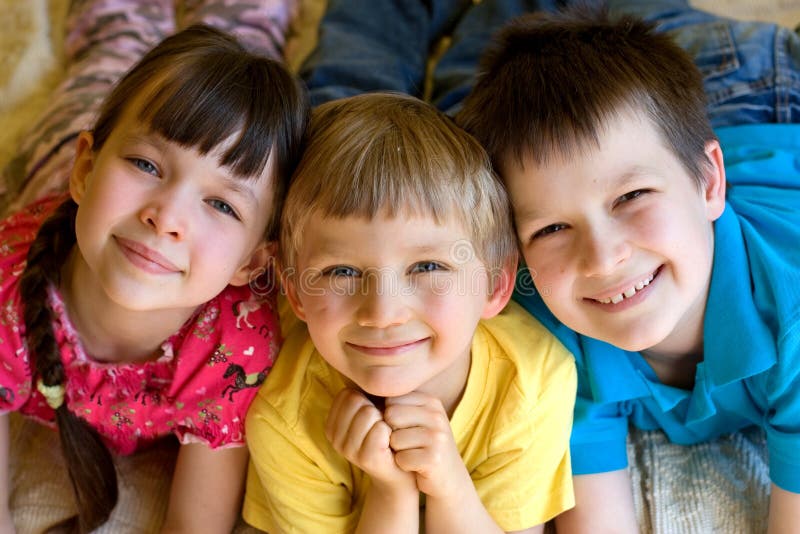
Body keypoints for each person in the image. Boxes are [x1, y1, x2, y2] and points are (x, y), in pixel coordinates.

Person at [455, 2, 800, 532]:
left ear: (709, 184)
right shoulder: (542, 336)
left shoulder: (792, 314)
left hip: (759, 92)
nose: (602, 258)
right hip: (643, 139)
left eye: (632, 198)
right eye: (550, 229)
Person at [0, 0, 308, 532]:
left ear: (254, 260)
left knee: (244, 46)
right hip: (62, 153)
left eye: (221, 204)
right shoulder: (8, 298)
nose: (166, 217)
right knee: (115, 48)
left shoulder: (236, 347)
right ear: (87, 170)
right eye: (146, 165)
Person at [242, 92, 577, 533]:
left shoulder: (534, 382)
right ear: (296, 295)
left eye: (427, 267)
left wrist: (450, 485)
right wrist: (391, 491)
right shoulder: (283, 418)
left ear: (495, 286)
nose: (382, 313)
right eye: (342, 272)